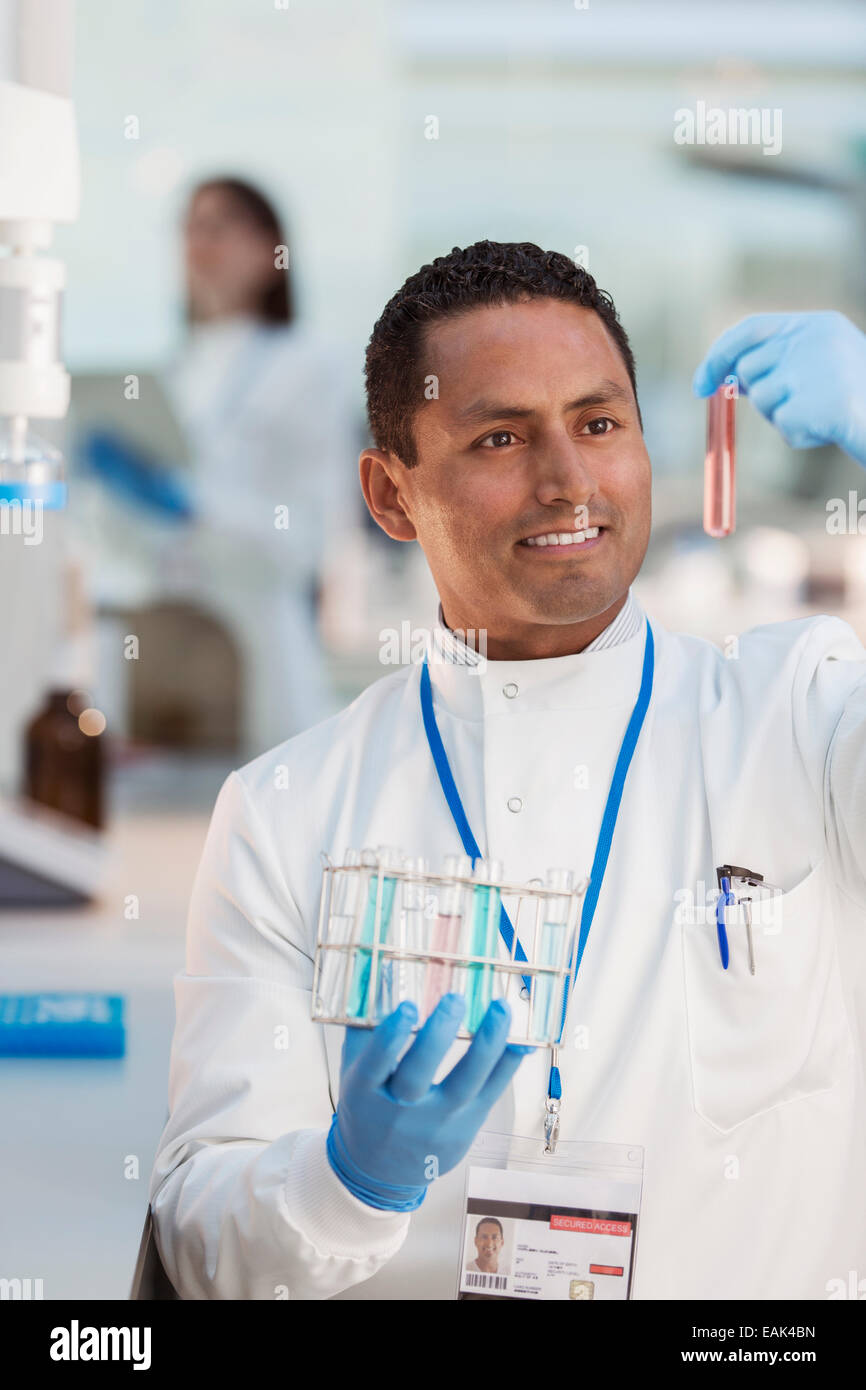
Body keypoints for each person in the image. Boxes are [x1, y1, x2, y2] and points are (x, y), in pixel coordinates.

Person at [149, 240, 866, 1300]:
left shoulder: (798, 713)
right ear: (390, 496)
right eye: (499, 436)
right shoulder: (285, 811)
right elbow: (199, 1241)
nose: (568, 480)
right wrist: (347, 1178)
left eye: (597, 422)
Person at [90, 177, 356, 750]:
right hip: (159, 653)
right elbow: (128, 550)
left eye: (218, 227)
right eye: (188, 229)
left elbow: (301, 542)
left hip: (259, 658)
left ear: (270, 249)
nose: (197, 244)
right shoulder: (176, 370)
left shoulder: (311, 364)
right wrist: (116, 498)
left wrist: (191, 503)